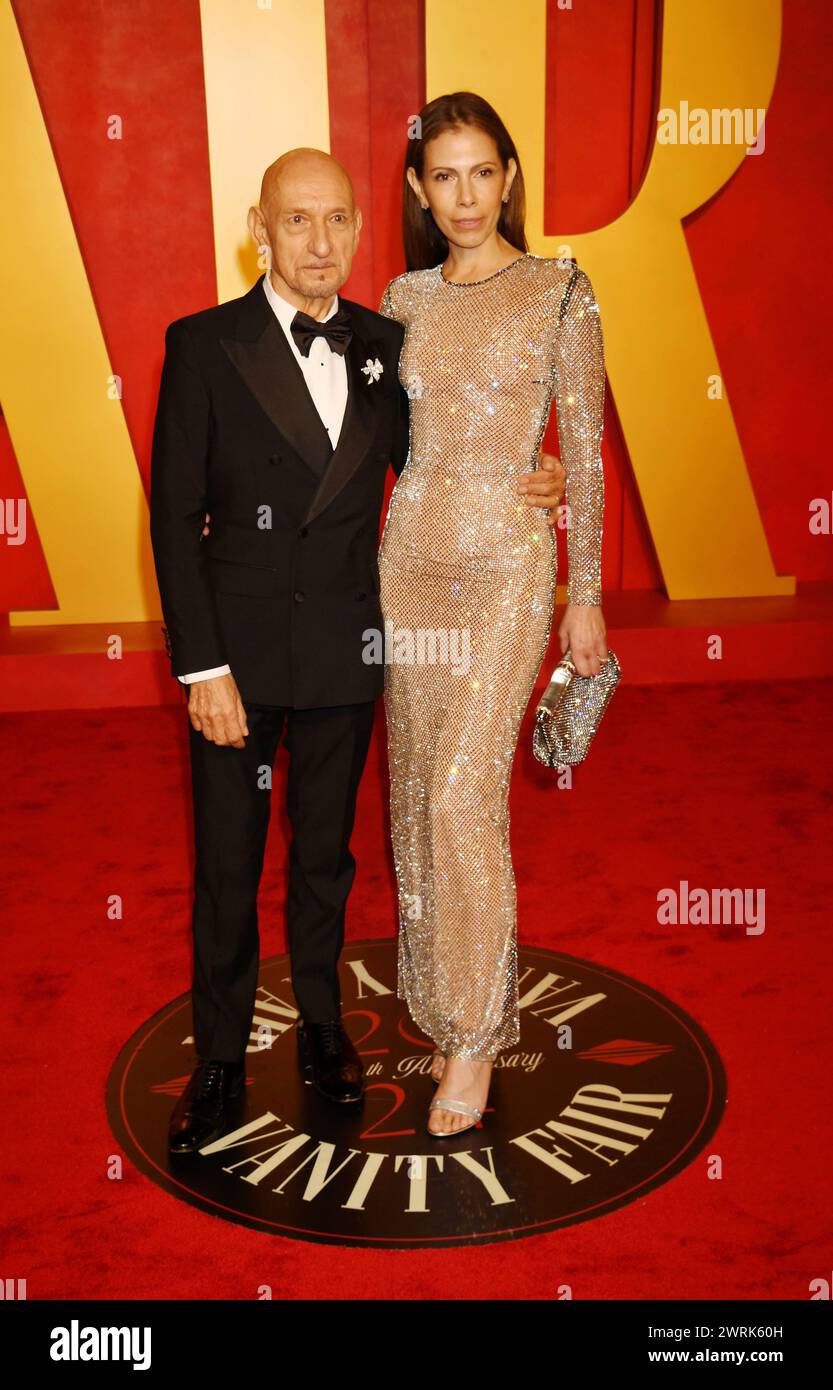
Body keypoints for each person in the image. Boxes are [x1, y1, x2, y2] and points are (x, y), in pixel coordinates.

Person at [149, 147, 567, 1156]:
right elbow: (172, 516)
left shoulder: (386, 342)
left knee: (325, 862)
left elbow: (442, 462)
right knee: (226, 866)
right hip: (236, 670)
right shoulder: (204, 343)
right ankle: (216, 1057)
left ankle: (323, 1032)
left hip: (345, 649)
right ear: (260, 229)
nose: (321, 241)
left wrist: (536, 470)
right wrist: (200, 668)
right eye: (298, 221)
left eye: (337, 219)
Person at [377, 93, 609, 1137]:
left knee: (464, 795)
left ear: (508, 176)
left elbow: (587, 453)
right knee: (415, 788)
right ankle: (433, 996)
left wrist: (586, 595)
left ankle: (473, 1036)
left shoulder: (559, 288)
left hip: (508, 573)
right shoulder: (402, 296)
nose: (464, 196)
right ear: (420, 191)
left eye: (481, 172)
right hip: (409, 563)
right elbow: (372, 440)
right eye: (443, 177)